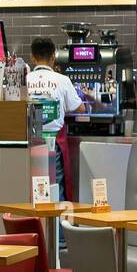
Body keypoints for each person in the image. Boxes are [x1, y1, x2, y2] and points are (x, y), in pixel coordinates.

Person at [25, 37, 94, 212]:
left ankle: (37, 232)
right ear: (54, 57)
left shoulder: (25, 80)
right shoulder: (62, 80)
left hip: (28, 143)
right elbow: (79, 108)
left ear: (32, 57)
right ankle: (60, 238)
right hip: (52, 144)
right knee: (55, 189)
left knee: (34, 190)